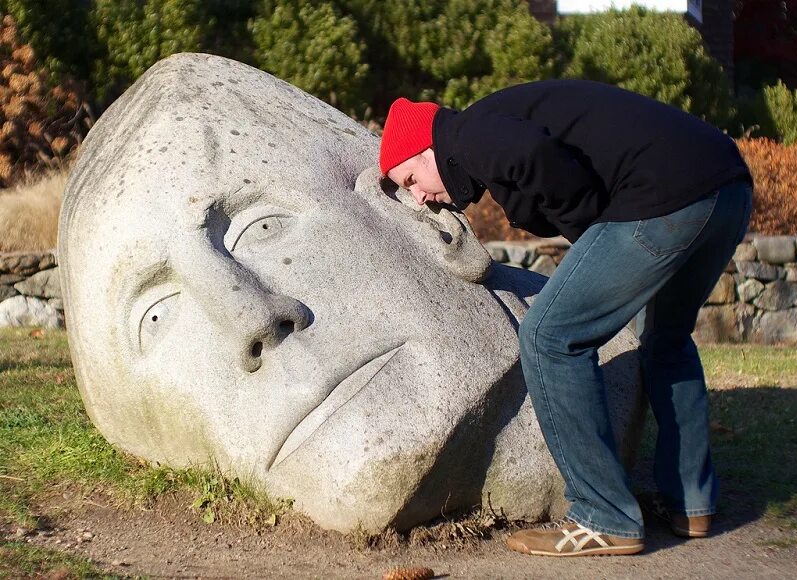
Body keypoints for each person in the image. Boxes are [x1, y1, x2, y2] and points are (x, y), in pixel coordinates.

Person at [59, 54, 645, 534]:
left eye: (261, 227)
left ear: (421, 219)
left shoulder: (613, 351)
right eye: (156, 314)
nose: (252, 319)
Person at [380, 79, 752, 556]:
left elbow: (536, 157)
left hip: (667, 196)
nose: (419, 197)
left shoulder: (470, 134)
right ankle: (690, 502)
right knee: (667, 339)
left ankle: (604, 516)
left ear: (428, 149)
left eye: (411, 180)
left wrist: (590, 227)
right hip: (725, 188)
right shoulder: (493, 122)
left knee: (549, 336)